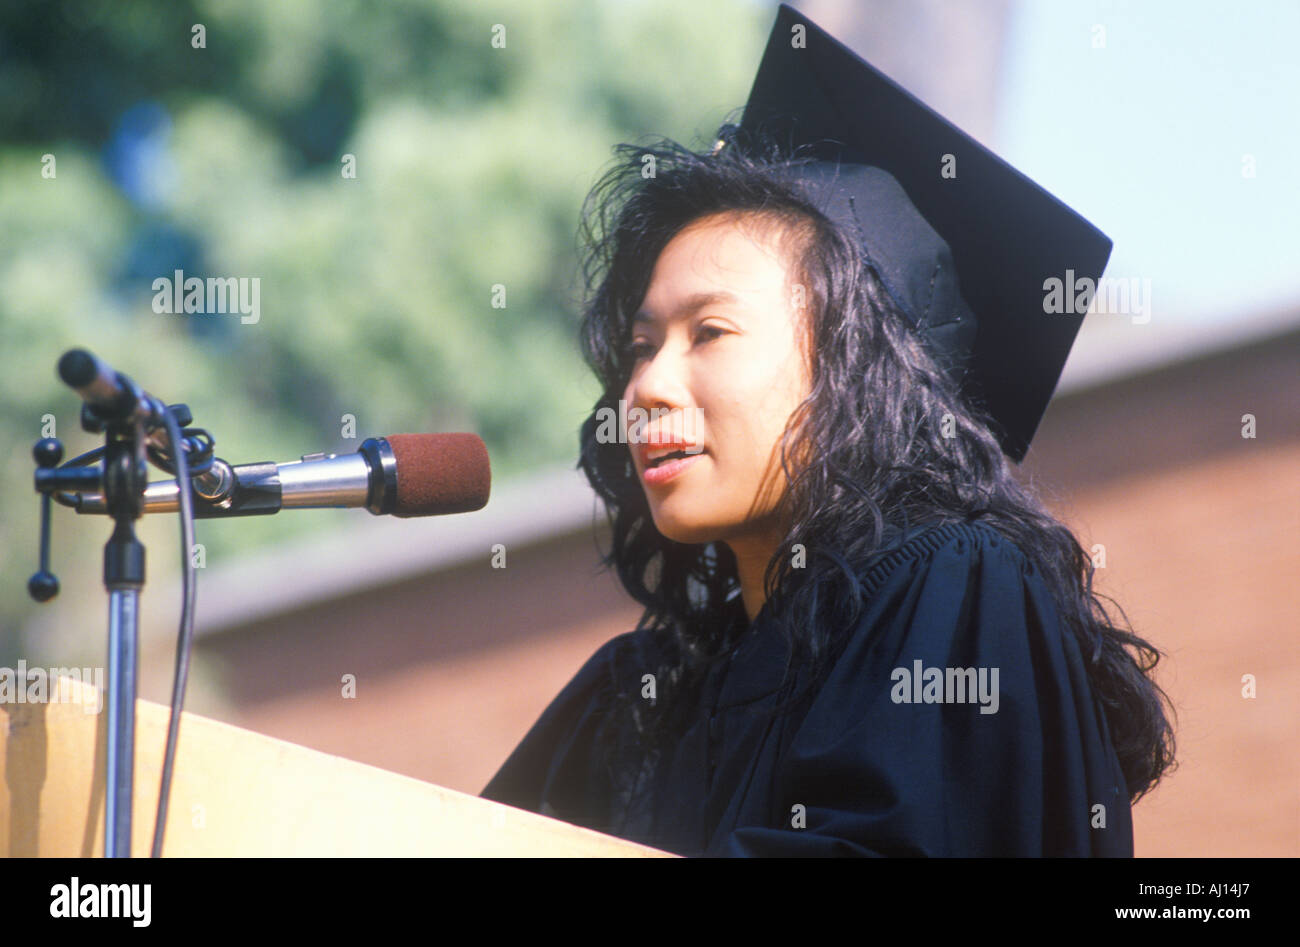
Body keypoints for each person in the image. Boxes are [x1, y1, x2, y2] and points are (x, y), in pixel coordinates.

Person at [480, 3, 1176, 856]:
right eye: (640, 344)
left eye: (708, 332)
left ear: (854, 364)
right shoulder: (637, 698)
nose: (647, 386)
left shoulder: (956, 589)